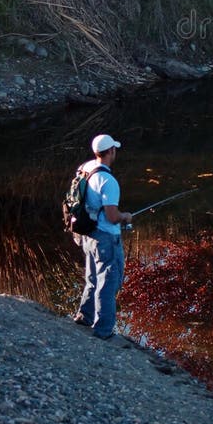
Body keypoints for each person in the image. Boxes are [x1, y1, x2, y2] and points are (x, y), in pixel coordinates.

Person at [73, 133, 132, 339]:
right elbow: (112, 216)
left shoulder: (85, 168)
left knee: (92, 278)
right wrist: (126, 216)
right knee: (108, 283)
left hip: (87, 233)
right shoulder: (108, 181)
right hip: (105, 237)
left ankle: (84, 316)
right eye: (114, 149)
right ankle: (103, 330)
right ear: (111, 152)